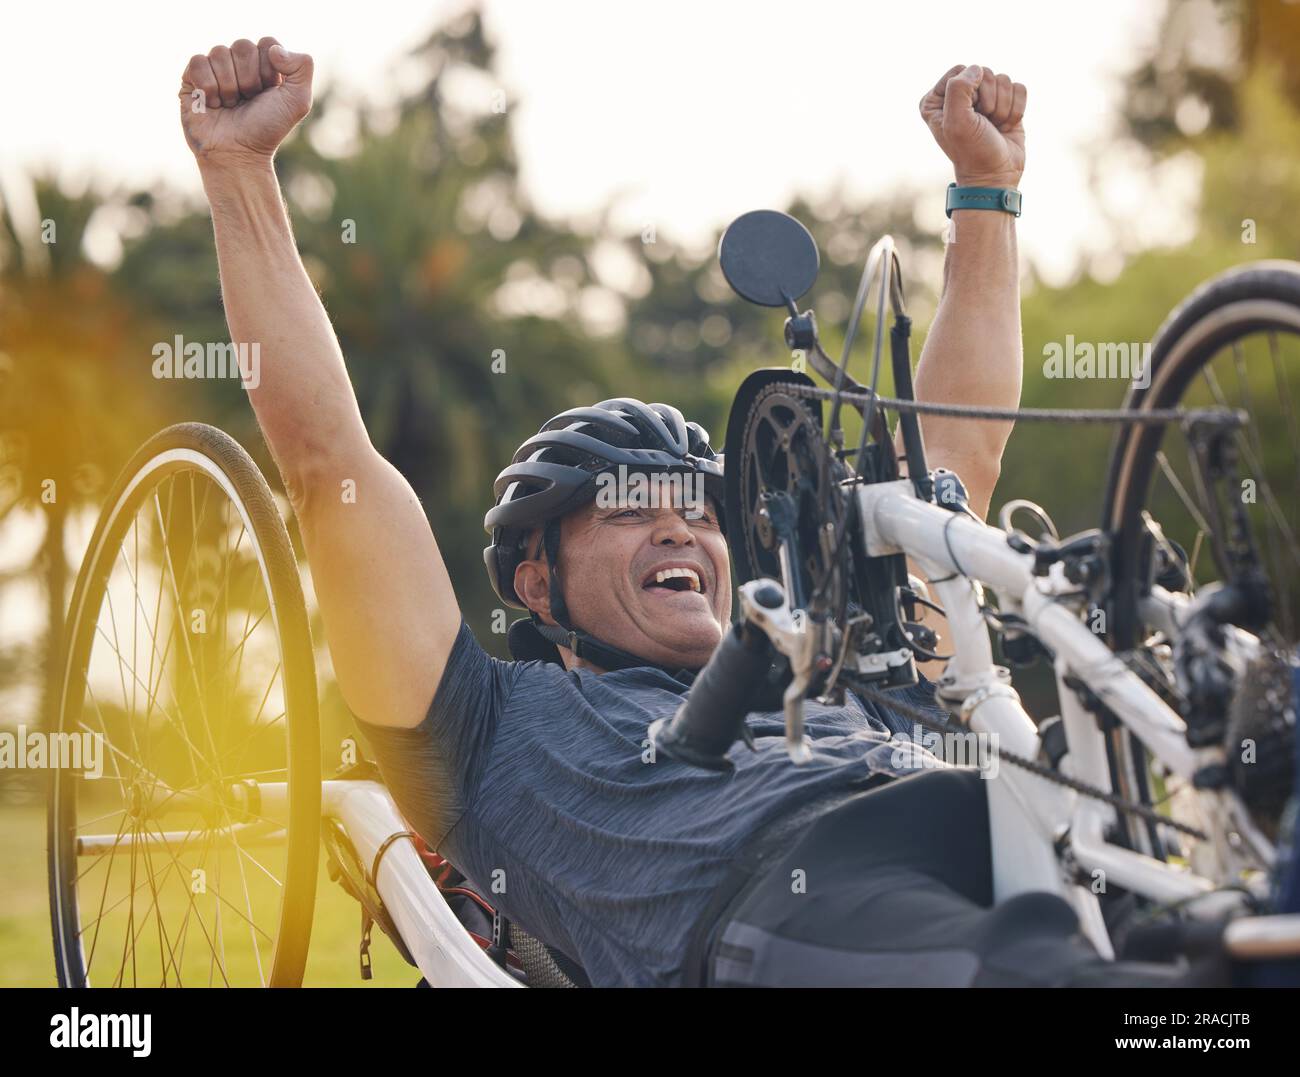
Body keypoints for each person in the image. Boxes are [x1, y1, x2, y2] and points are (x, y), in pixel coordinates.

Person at [179, 38, 1224, 986]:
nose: (681, 528)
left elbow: (948, 464)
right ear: (537, 583)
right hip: (799, 902)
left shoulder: (844, 652)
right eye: (628, 512)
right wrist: (238, 170)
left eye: (703, 512)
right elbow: (327, 464)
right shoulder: (484, 730)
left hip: (1022, 833)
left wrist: (986, 190)